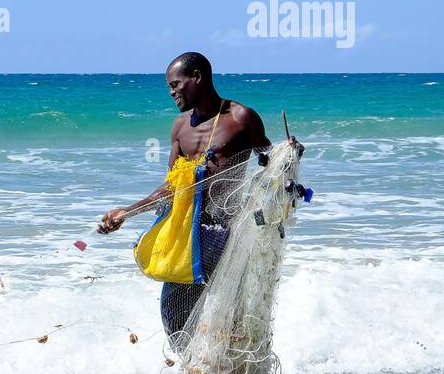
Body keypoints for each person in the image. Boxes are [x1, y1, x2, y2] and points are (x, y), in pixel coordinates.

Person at [96, 52, 301, 339]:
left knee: (226, 316)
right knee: (174, 318)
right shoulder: (180, 127)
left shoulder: (241, 118)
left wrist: (290, 154)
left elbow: (270, 161)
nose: (171, 92)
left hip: (226, 234)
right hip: (186, 235)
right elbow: (171, 187)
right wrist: (127, 212)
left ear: (197, 77)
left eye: (175, 84)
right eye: (169, 86)